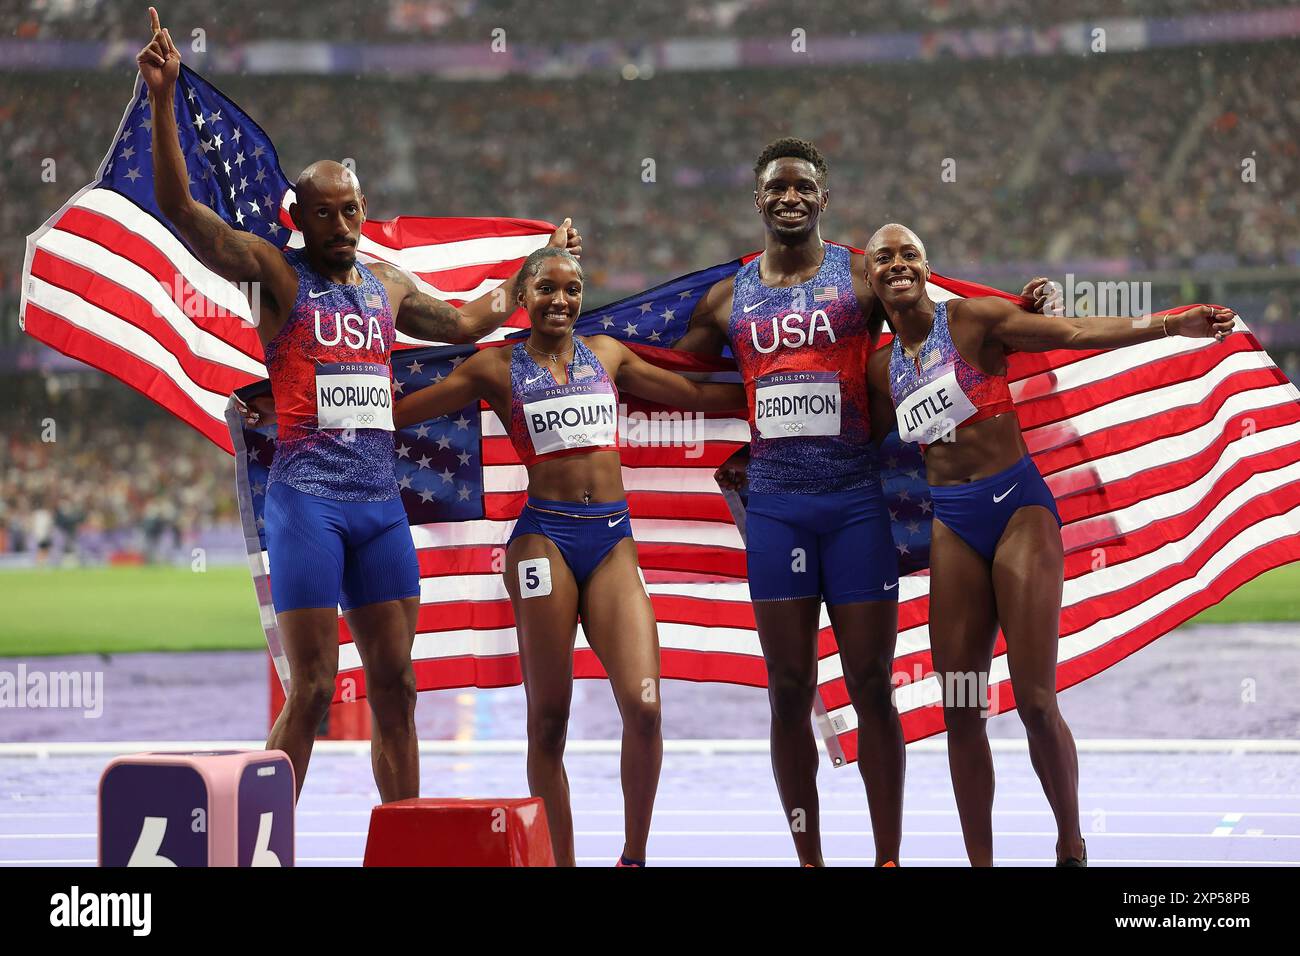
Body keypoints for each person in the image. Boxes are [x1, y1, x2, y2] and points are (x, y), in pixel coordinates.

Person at [137, 7, 581, 801]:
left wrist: (539, 265)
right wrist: (163, 99)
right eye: (325, 212)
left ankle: (404, 835)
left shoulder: (388, 286)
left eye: (352, 210)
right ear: (298, 219)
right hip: (307, 502)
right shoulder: (278, 276)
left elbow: (475, 321)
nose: (342, 223)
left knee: (398, 688)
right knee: (311, 691)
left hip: (380, 507)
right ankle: (262, 847)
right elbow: (185, 215)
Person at [677, 137, 1054, 866]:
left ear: (824, 199)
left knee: (873, 684)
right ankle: (810, 860)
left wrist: (1017, 305)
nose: (790, 198)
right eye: (777, 188)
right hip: (778, 507)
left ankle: (888, 858)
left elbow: (934, 313)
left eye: (803, 187)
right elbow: (677, 364)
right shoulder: (726, 299)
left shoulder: (861, 276)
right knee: (788, 689)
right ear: (758, 200)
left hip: (854, 502)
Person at [864, 222, 1236, 866]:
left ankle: (1070, 844)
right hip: (952, 522)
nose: (898, 263)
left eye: (910, 253)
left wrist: (1176, 325)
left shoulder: (976, 320)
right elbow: (856, 443)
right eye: (883, 257)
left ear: (928, 265)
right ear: (871, 278)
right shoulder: (877, 366)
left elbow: (1072, 334)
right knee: (960, 706)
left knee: (1035, 700)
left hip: (1017, 513)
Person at [394, 247, 745, 866]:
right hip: (541, 542)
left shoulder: (607, 354)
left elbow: (692, 392)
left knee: (644, 705)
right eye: (547, 289)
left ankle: (633, 857)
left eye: (573, 289)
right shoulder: (494, 369)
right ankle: (562, 861)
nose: (561, 300)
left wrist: (780, 393)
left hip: (611, 538)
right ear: (522, 297)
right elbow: (398, 414)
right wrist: (295, 413)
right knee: (549, 719)